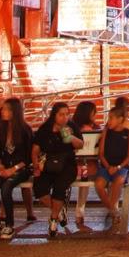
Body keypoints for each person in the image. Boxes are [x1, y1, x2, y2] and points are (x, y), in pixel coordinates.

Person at [32, 101, 83, 237]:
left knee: (60, 187)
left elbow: (80, 144)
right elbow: (35, 150)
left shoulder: (71, 126)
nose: (64, 117)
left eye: (67, 114)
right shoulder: (45, 129)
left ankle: (53, 220)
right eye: (61, 114)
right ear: (54, 115)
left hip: (67, 164)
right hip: (48, 163)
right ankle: (59, 211)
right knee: (40, 189)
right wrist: (36, 165)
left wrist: (70, 137)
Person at [0, 96, 33, 240]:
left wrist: (13, 169)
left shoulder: (25, 130)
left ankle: (9, 224)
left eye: (7, 109)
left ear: (15, 112)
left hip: (20, 168)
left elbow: (28, 157)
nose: (3, 112)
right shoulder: (0, 129)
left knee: (6, 189)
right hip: (3, 167)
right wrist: (1, 167)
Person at [94, 97, 129, 229]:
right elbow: (101, 153)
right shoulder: (106, 132)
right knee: (99, 184)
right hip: (107, 165)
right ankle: (113, 210)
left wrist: (117, 167)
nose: (109, 121)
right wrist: (108, 166)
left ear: (119, 119)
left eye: (111, 118)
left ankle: (113, 210)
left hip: (121, 167)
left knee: (118, 181)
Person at [71, 100, 100, 229]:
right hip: (91, 169)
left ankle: (78, 212)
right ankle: (80, 210)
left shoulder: (70, 129)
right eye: (94, 113)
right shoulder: (96, 129)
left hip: (73, 167)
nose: (96, 115)